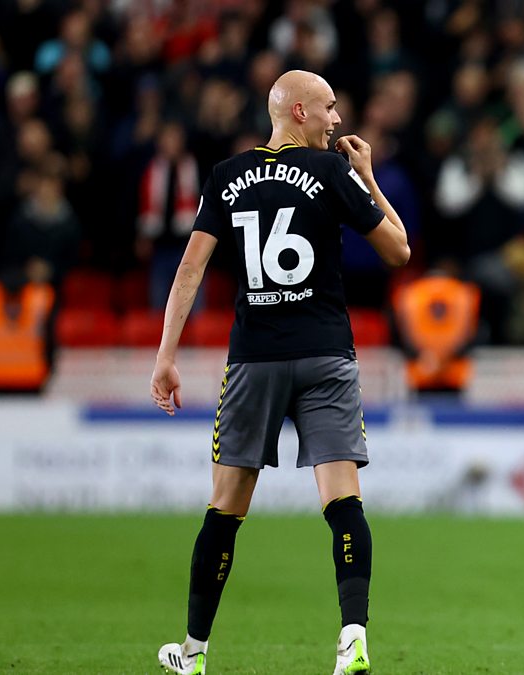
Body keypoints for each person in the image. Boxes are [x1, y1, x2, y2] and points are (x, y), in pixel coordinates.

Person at [150, 69, 409, 675]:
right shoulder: (331, 171)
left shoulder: (225, 176)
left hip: (255, 358)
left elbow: (189, 270)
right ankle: (352, 638)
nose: (337, 120)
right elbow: (398, 250)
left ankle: (192, 653)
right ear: (298, 112)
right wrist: (368, 178)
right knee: (343, 500)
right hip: (325, 354)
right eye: (328, 108)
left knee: (225, 507)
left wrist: (166, 355)